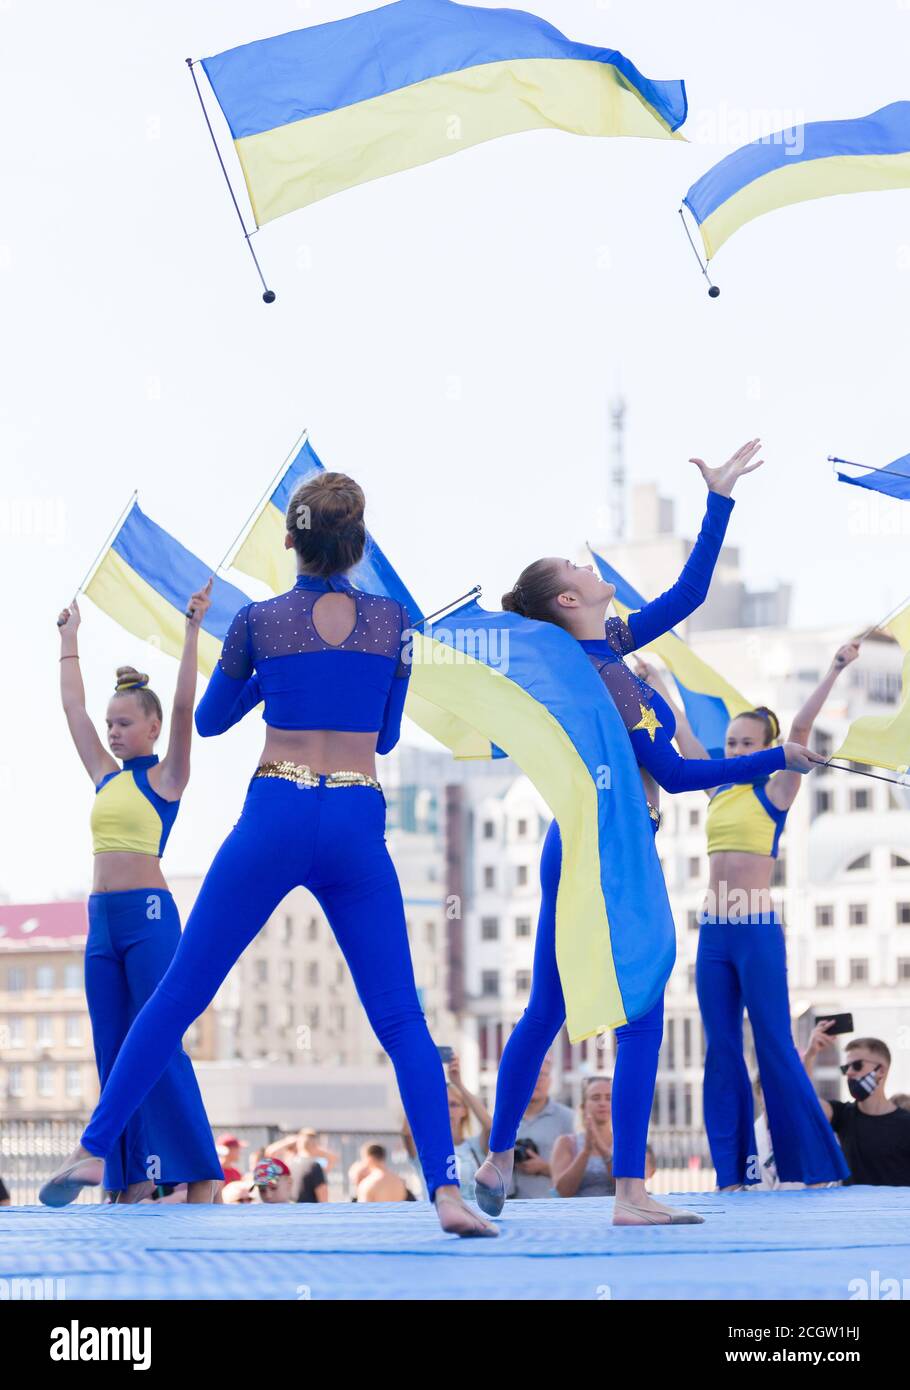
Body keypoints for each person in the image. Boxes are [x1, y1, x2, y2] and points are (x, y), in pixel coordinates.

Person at [41, 472, 495, 1238]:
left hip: (276, 811)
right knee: (400, 1017)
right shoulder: (394, 624)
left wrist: (265, 677)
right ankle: (447, 1189)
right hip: (355, 814)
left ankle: (94, 1151)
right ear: (357, 543)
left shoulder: (260, 620)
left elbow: (213, 721)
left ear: (291, 540)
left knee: (180, 992)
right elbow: (383, 738)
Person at [474, 441, 816, 1226]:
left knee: (551, 1009)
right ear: (566, 602)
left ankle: (501, 1159)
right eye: (576, 568)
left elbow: (689, 593)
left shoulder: (612, 650)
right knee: (637, 1012)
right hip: (608, 854)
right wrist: (777, 757)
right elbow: (685, 775)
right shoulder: (599, 679)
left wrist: (720, 498)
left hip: (601, 849)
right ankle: (627, 1193)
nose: (591, 569)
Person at [641, 644, 858, 1190]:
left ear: (765, 748)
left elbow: (801, 731)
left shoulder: (776, 790)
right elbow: (683, 736)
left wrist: (833, 667)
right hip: (713, 935)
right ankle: (731, 1173)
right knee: (720, 1049)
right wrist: (659, 681)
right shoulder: (716, 788)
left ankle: (812, 1167)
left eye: (746, 743)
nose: (735, 749)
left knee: (774, 1043)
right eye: (731, 743)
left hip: (757, 932)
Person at [48, 588, 224, 1206]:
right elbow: (73, 710)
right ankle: (130, 1177)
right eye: (111, 725)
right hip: (102, 922)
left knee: (158, 1043)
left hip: (150, 919)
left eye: (124, 724)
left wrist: (192, 631)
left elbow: (182, 707)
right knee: (112, 1047)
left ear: (148, 727)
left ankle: (202, 1174)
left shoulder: (166, 777)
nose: (113, 733)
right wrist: (69, 640)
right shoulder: (104, 775)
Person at [803, 1028, 910, 1186]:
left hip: (896, 1210)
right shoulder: (842, 1115)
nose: (849, 1073)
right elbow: (805, 1105)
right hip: (853, 1211)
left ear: (881, 1070)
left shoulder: (906, 1124)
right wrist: (810, 1054)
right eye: (845, 1068)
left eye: (857, 1066)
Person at [510, 1057, 574, 1199]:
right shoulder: (507, 1117)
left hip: (552, 1206)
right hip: (511, 1206)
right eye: (530, 1074)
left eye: (541, 1075)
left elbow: (582, 1172)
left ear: (551, 1080)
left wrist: (545, 1168)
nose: (535, 1080)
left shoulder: (567, 1118)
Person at [551, 1076, 616, 1198]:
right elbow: (562, 1192)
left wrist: (604, 1151)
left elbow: (629, 1189)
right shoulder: (566, 1143)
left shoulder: (624, 1144)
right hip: (576, 1215)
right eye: (595, 1098)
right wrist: (586, 1151)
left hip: (616, 1213)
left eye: (609, 1098)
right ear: (584, 1106)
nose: (603, 1103)